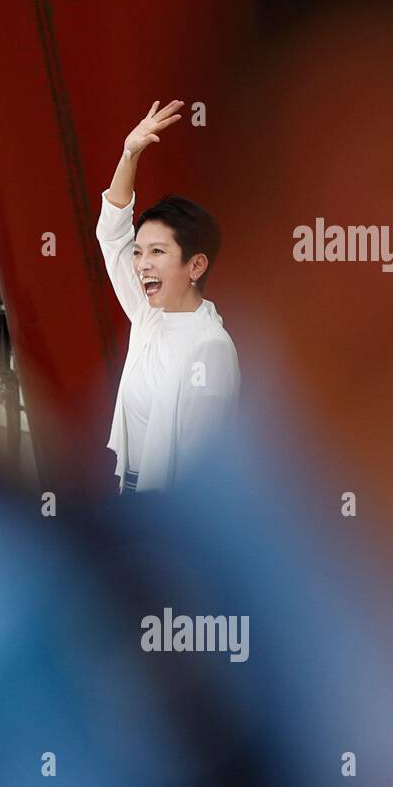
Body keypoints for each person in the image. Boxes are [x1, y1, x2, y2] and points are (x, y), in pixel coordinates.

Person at [95, 100, 240, 493]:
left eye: (157, 252)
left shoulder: (210, 347)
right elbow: (112, 234)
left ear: (196, 266)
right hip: (130, 493)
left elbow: (200, 471)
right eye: (139, 252)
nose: (141, 264)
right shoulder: (148, 314)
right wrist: (129, 154)